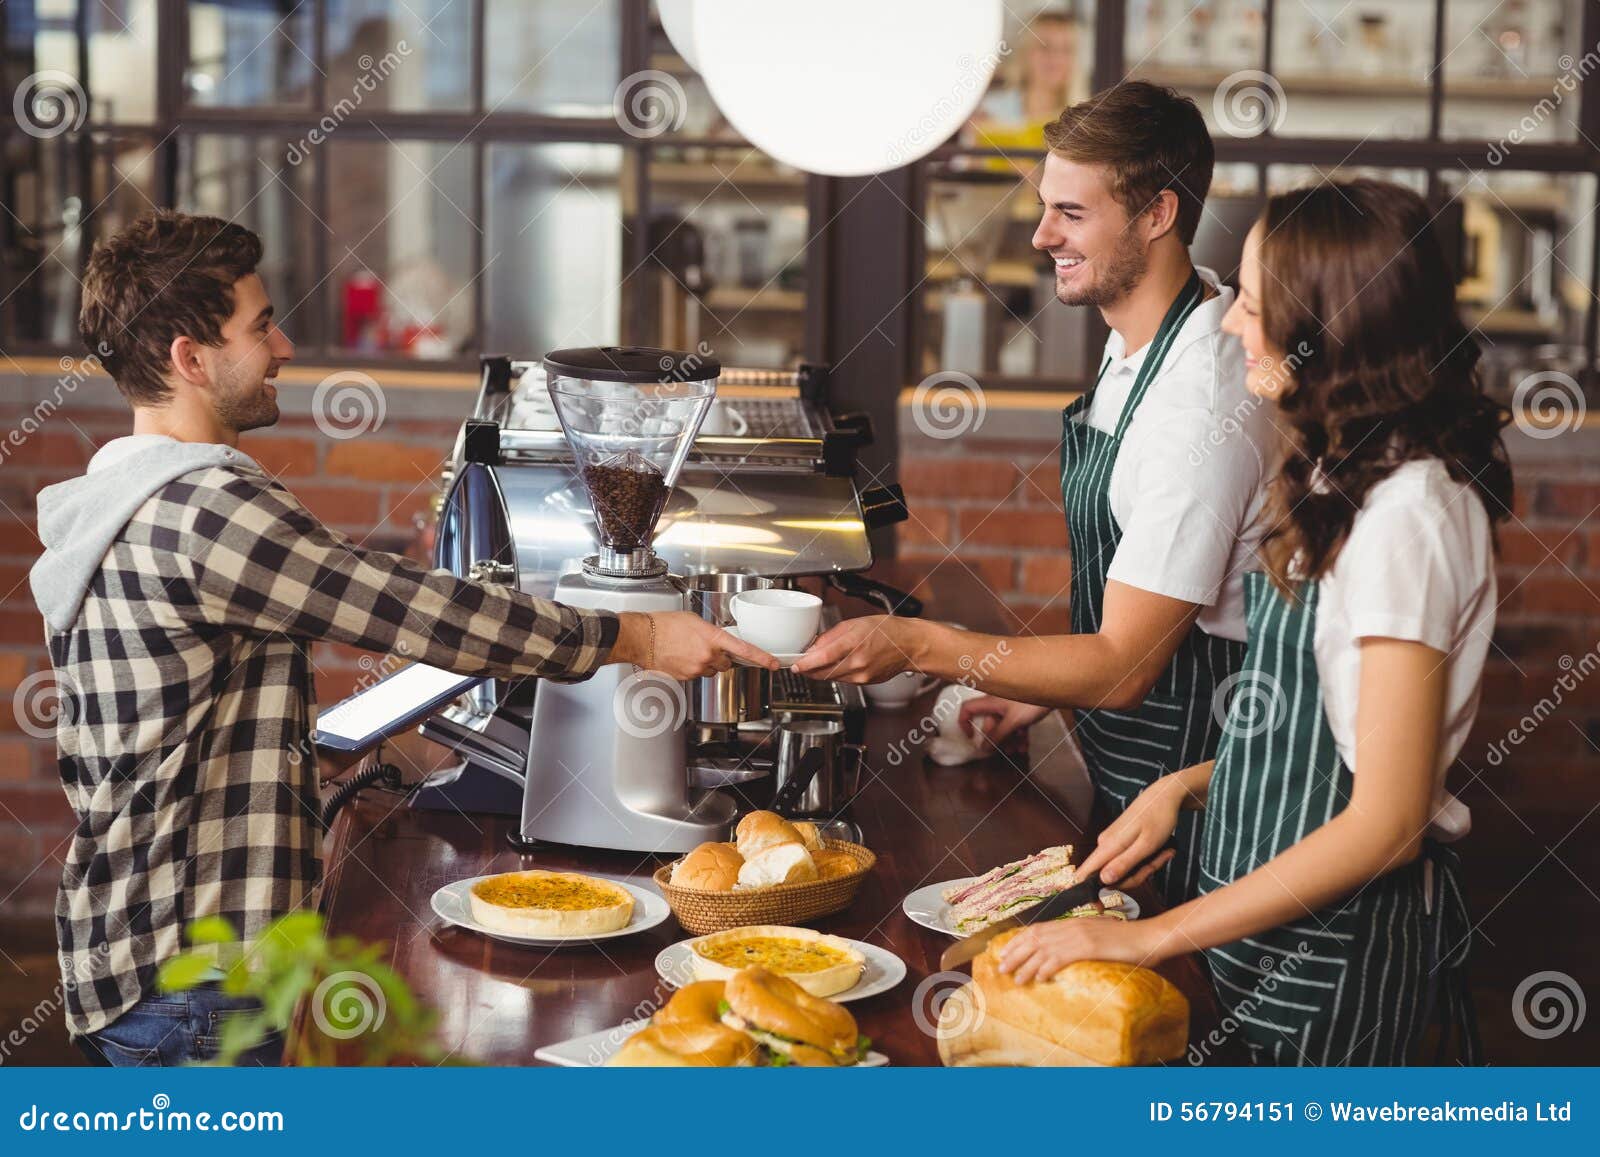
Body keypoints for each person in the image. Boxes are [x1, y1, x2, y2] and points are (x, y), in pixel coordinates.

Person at [30, 211, 773, 1066]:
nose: (285, 345)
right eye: (260, 323)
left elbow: (162, 717)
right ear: (189, 359)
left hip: (139, 951)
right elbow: (422, 614)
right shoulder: (204, 510)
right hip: (195, 978)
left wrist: (291, 761)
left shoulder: (125, 495)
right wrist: (639, 635)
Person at [997, 179, 1507, 1066]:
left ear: (1327, 331)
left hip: (1327, 963)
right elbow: (1319, 734)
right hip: (1255, 934)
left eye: (1257, 304)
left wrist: (1152, 938)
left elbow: (1386, 822)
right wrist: (1186, 787)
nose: (1232, 322)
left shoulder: (1408, 519)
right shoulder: (1340, 476)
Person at [794, 82, 1270, 907]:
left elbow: (1122, 666)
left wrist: (920, 644)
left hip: (1209, 808)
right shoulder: (1142, 342)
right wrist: (1032, 687)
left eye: (1072, 214)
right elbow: (1136, 606)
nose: (1044, 234)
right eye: (1046, 207)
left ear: (1158, 214)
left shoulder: (1199, 404)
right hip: (1129, 775)